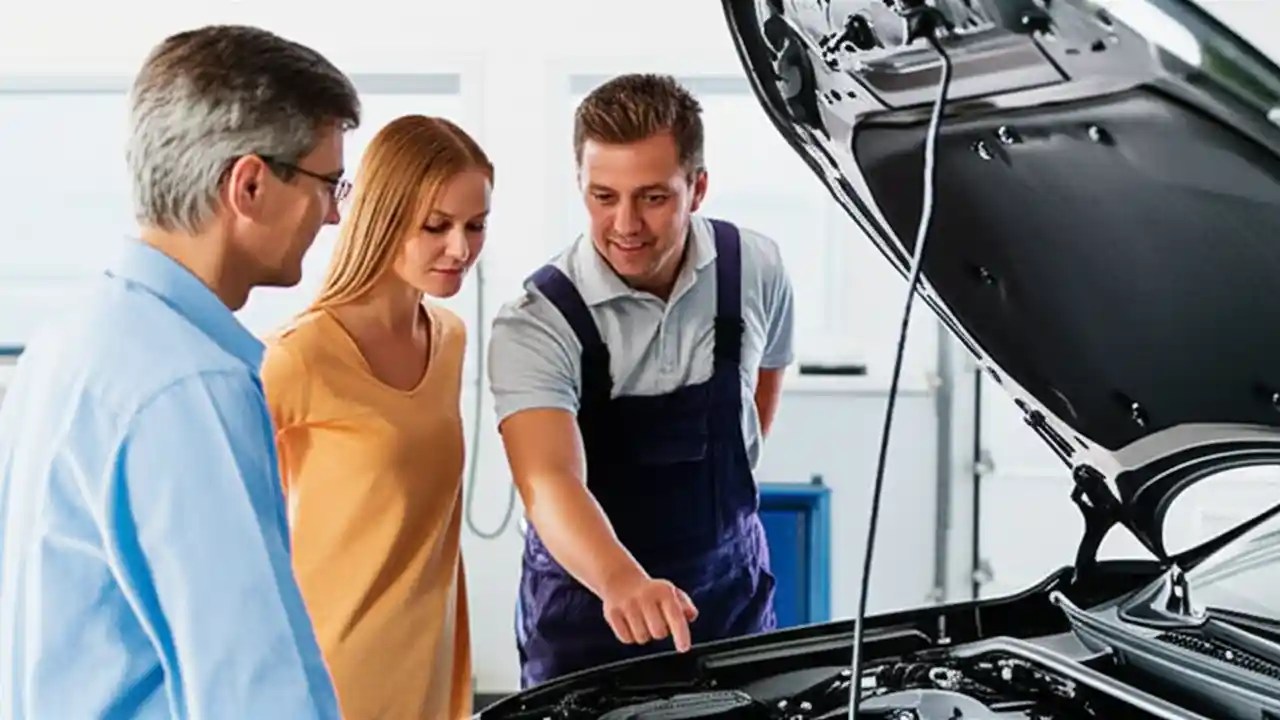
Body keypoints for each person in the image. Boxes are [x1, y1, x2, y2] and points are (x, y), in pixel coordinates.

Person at [0, 25, 359, 719]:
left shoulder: (69, 342)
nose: (333, 214)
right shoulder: (190, 386)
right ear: (249, 184)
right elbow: (255, 687)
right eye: (326, 183)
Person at [488, 73, 796, 688]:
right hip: (586, 618)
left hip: (728, 602)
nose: (625, 224)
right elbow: (547, 479)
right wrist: (622, 580)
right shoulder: (538, 319)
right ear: (581, 186)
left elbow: (760, 393)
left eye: (652, 198)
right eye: (604, 197)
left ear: (697, 188)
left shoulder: (754, 267)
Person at [259, 114, 492, 720]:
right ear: (383, 218)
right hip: (332, 676)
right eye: (436, 226)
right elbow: (223, 518)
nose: (460, 248)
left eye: (476, 225)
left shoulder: (450, 338)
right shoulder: (299, 356)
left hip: (434, 672)